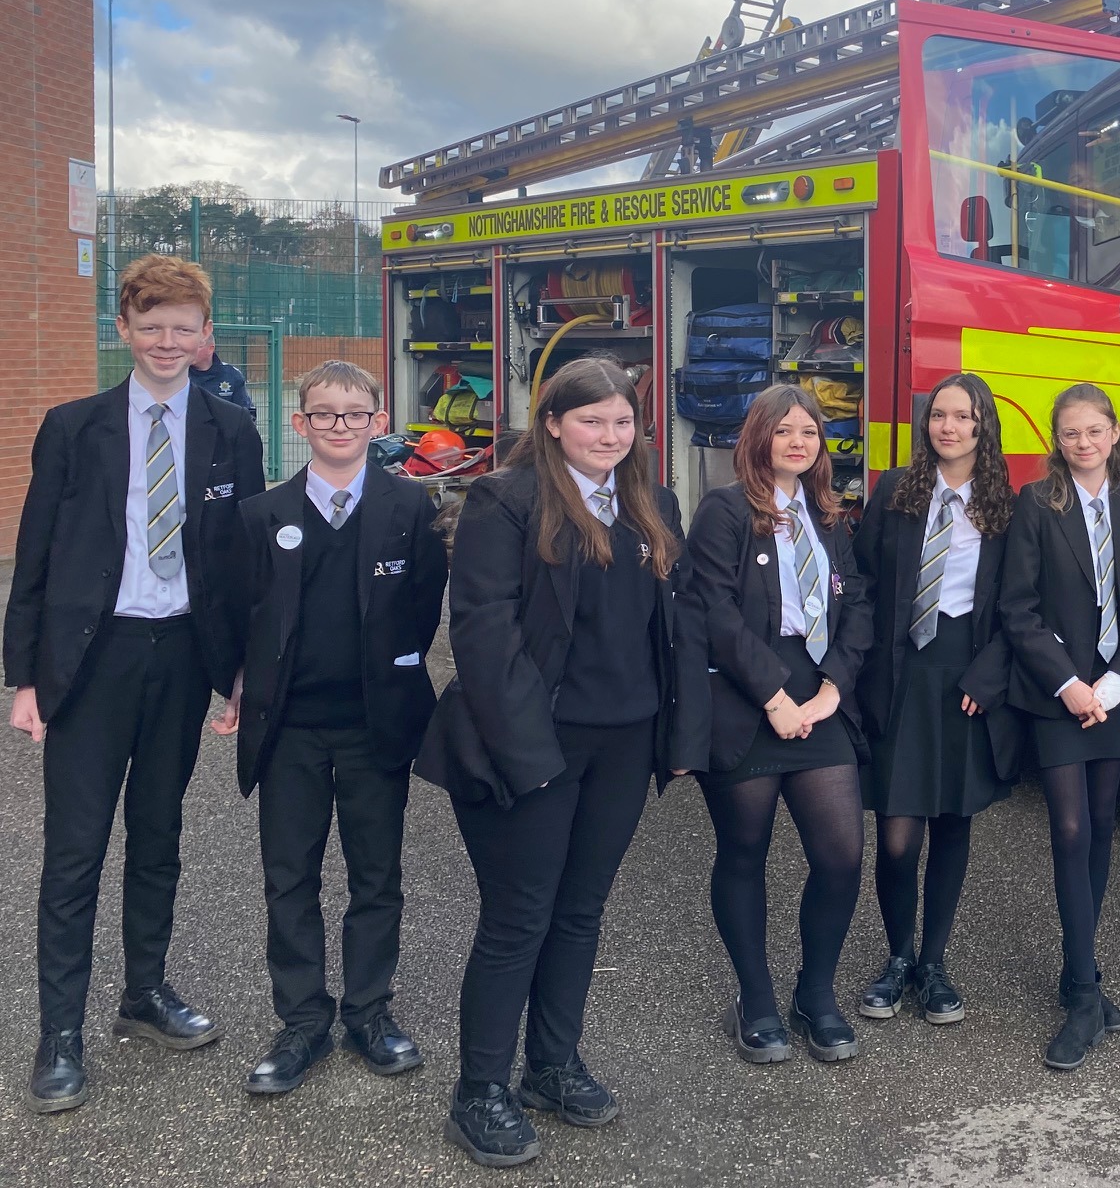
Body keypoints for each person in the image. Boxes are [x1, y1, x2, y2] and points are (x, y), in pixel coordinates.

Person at [415, 357, 700, 1169]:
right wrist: (531, 760)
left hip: (623, 743)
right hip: (530, 746)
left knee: (581, 913)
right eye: (591, 421)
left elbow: (672, 635)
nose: (610, 436)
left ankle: (550, 1065)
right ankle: (479, 1092)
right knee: (518, 921)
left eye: (622, 421)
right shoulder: (504, 502)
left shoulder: (654, 504)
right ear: (551, 423)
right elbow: (482, 633)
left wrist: (677, 740)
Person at [4, 254, 265, 1113]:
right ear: (123, 329)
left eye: (182, 327)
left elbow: (241, 563)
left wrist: (241, 674)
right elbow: (35, 557)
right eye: (150, 325)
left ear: (205, 337)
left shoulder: (233, 429)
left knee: (158, 837)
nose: (166, 340)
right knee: (76, 852)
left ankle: (143, 993)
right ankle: (61, 1034)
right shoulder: (74, 426)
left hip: (182, 657)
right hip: (94, 660)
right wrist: (23, 678)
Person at [227, 360, 447, 1095]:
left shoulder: (412, 510)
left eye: (355, 413)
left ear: (379, 420)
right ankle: (301, 1022)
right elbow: (244, 614)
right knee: (288, 877)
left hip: (373, 727)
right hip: (289, 729)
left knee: (376, 876)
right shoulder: (262, 515)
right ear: (300, 424)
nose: (341, 426)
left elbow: (422, 607)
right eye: (324, 414)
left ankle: (368, 1013)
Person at [681, 384, 872, 1066]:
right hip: (746, 702)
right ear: (757, 437)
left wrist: (830, 691)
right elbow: (714, 613)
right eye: (784, 430)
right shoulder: (725, 511)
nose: (798, 442)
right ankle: (756, 999)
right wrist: (773, 697)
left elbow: (858, 609)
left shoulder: (828, 514)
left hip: (818, 696)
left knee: (841, 853)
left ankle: (815, 994)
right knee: (744, 852)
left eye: (810, 433)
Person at [999, 382, 1120, 1071]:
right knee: (1069, 828)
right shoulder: (1037, 505)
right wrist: (1070, 684)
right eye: (1070, 433)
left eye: (1093, 430)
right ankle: (1080, 993)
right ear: (1057, 440)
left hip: (1114, 692)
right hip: (1058, 695)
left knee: (1102, 825)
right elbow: (1017, 607)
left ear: (1114, 432)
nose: (1082, 442)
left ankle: (1085, 970)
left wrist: (1117, 679)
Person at [853, 373, 1017, 1026]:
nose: (948, 427)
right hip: (901, 674)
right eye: (939, 416)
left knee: (953, 821)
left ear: (984, 427)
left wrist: (990, 674)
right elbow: (862, 578)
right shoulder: (896, 490)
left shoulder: (1006, 503)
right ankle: (897, 957)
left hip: (965, 676)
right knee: (897, 834)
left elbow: (1017, 603)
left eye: (963, 417)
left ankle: (934, 963)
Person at [190, 326, 258, 416]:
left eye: (197, 346)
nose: (191, 350)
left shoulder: (232, 375)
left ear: (210, 349)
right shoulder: (179, 375)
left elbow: (246, 414)